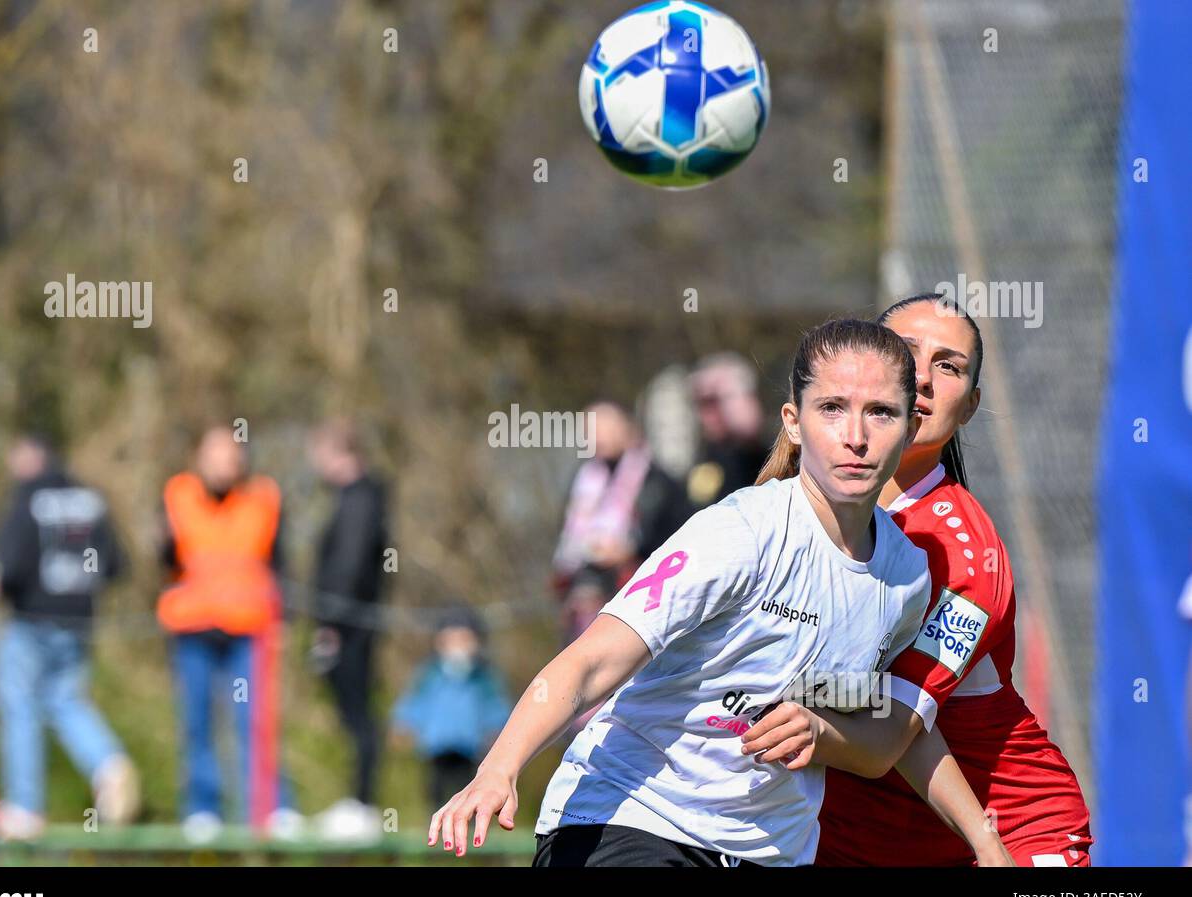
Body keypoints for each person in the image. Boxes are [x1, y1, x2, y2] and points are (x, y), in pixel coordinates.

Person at [430, 318, 1012, 866]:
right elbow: (593, 660)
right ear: (792, 420)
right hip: (635, 819)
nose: (855, 437)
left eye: (881, 413)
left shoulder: (907, 578)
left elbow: (886, 732)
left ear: (911, 426)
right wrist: (498, 770)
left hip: (769, 850)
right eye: (832, 409)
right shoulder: (741, 532)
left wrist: (986, 841)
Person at [805, 294, 1094, 867]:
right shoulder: (783, 512)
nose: (921, 377)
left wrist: (785, 714)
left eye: (949, 365)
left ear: (970, 406)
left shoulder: (965, 553)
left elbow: (886, 736)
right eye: (905, 351)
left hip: (1008, 835)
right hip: (856, 839)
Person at [0, 433, 138, 841]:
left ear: (33, 457)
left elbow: (6, 568)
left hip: (30, 620)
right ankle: (108, 763)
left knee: (20, 705)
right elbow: (117, 565)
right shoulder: (90, 499)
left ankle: (25, 808)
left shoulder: (29, 497)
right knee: (66, 701)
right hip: (78, 622)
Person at [157, 426, 298, 842]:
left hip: (249, 628)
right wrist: (161, 540)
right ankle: (202, 810)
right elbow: (166, 561)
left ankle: (271, 809)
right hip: (192, 626)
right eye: (215, 454)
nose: (223, 463)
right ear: (198, 457)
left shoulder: (264, 498)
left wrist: (284, 620)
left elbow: (281, 563)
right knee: (196, 721)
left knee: (255, 721)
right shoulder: (177, 494)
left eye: (230, 455)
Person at [307, 418, 390, 840]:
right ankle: (358, 802)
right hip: (347, 621)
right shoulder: (353, 498)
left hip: (351, 624)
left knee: (359, 712)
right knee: (353, 711)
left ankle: (363, 805)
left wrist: (331, 623)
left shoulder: (359, 499)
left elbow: (350, 564)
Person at [552, 400, 692, 648]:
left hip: (641, 597)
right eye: (588, 430)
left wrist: (629, 551)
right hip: (587, 598)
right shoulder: (584, 479)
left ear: (626, 428)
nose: (594, 437)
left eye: (601, 428)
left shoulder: (657, 481)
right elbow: (568, 540)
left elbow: (674, 537)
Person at [391, 606, 512, 809]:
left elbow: (494, 705)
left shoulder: (483, 677)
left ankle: (468, 825)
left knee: (467, 786)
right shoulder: (430, 673)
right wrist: (404, 722)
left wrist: (497, 730)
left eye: (464, 640)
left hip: (469, 743)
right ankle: (436, 822)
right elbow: (417, 700)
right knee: (436, 787)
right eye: (451, 640)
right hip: (436, 742)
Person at [684, 352, 776, 509]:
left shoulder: (773, 459)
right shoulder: (703, 459)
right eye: (700, 403)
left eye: (712, 401)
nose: (705, 414)